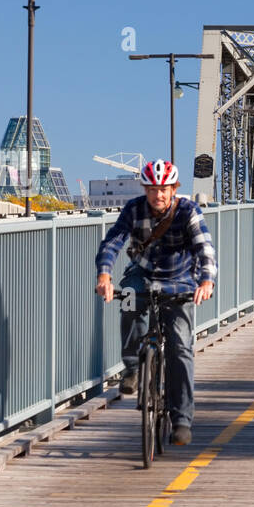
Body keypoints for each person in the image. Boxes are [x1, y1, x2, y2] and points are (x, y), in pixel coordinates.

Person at [94, 160, 216, 446]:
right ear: (145, 189)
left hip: (180, 278)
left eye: (163, 190)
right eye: (152, 190)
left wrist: (207, 281)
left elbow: (204, 248)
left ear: (174, 189)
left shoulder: (188, 211)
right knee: (127, 299)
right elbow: (113, 241)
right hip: (143, 273)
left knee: (180, 348)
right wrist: (104, 275)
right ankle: (134, 367)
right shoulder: (134, 209)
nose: (158, 195)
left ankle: (182, 419)